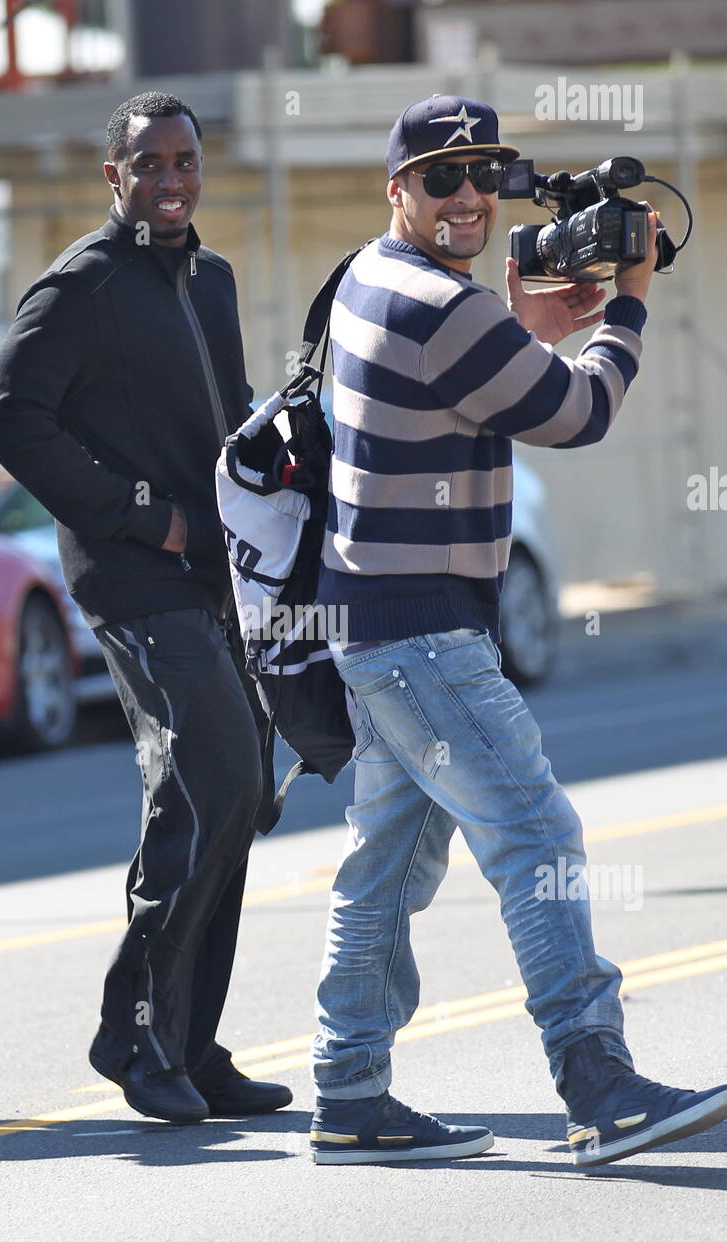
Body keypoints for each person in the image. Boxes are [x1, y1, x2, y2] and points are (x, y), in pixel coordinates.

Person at [309, 94, 727, 1167]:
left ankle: (348, 1087)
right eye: (441, 178)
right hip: (423, 636)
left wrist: (523, 328)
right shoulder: (442, 308)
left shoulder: (371, 276)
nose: (468, 196)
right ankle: (595, 1081)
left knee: (386, 859)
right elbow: (576, 414)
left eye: (484, 173)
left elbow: (466, 381)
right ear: (394, 187)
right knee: (536, 838)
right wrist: (626, 305)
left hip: (372, 623)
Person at [0, 92, 291, 1124]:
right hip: (132, 578)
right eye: (147, 161)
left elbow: (223, 413)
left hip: (215, 576)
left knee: (240, 794)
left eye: (184, 159)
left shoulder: (211, 279)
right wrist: (134, 515)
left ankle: (189, 1044)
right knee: (213, 778)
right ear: (112, 174)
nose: (169, 177)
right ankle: (132, 1028)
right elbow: (10, 416)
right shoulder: (81, 286)